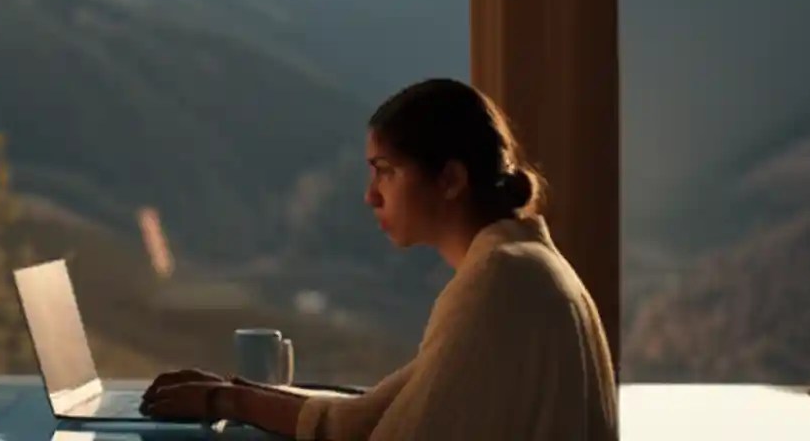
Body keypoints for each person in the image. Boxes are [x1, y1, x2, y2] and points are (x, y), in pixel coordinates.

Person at [139, 78, 618, 440]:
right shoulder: (521, 262)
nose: (371, 196)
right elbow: (364, 416)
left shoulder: (499, 278)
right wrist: (232, 396)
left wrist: (227, 399)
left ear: (450, 179)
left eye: (385, 172)